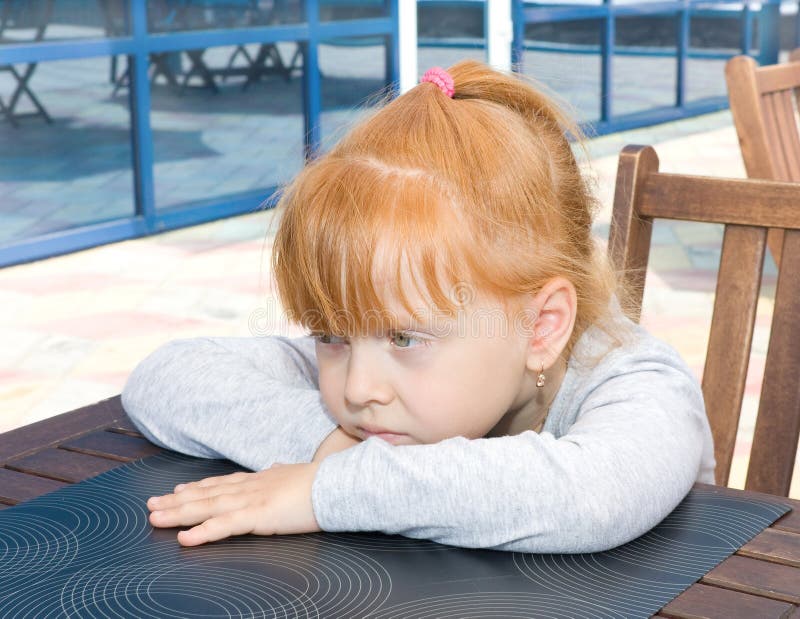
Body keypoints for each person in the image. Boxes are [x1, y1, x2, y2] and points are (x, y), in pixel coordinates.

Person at [123, 61, 715, 552]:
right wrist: (331, 447)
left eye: (405, 340)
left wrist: (325, 488)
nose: (357, 389)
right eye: (331, 333)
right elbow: (162, 380)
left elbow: (595, 494)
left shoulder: (637, 380)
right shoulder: (376, 346)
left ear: (542, 327)